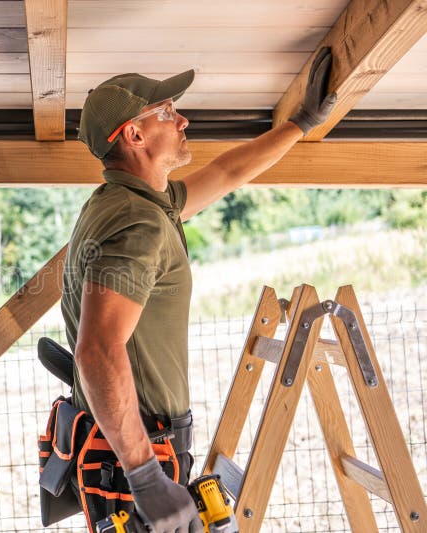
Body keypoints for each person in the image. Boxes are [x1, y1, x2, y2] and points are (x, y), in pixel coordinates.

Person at [59, 48, 336, 532]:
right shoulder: (136, 222)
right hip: (138, 456)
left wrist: (302, 122)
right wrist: (145, 476)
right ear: (135, 134)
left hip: (132, 449)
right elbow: (98, 350)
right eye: (166, 112)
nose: (182, 119)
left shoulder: (136, 203)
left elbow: (228, 173)